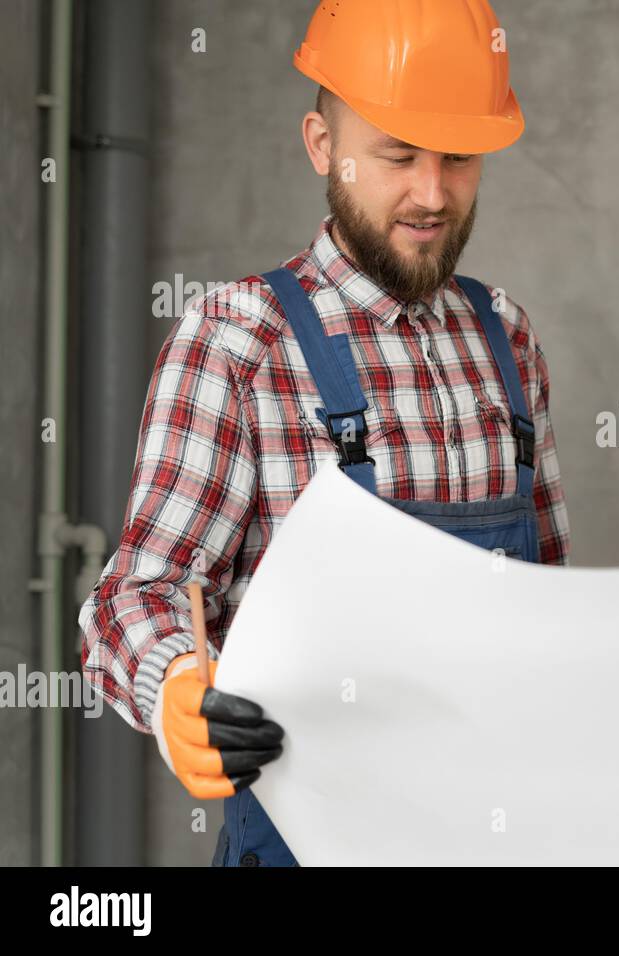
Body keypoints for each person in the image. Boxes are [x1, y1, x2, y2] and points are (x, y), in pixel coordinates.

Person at [79, 0, 569, 866]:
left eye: (457, 157)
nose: (431, 192)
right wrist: (177, 693)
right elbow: (132, 600)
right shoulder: (238, 342)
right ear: (320, 146)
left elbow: (557, 604)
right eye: (396, 154)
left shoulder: (507, 337)